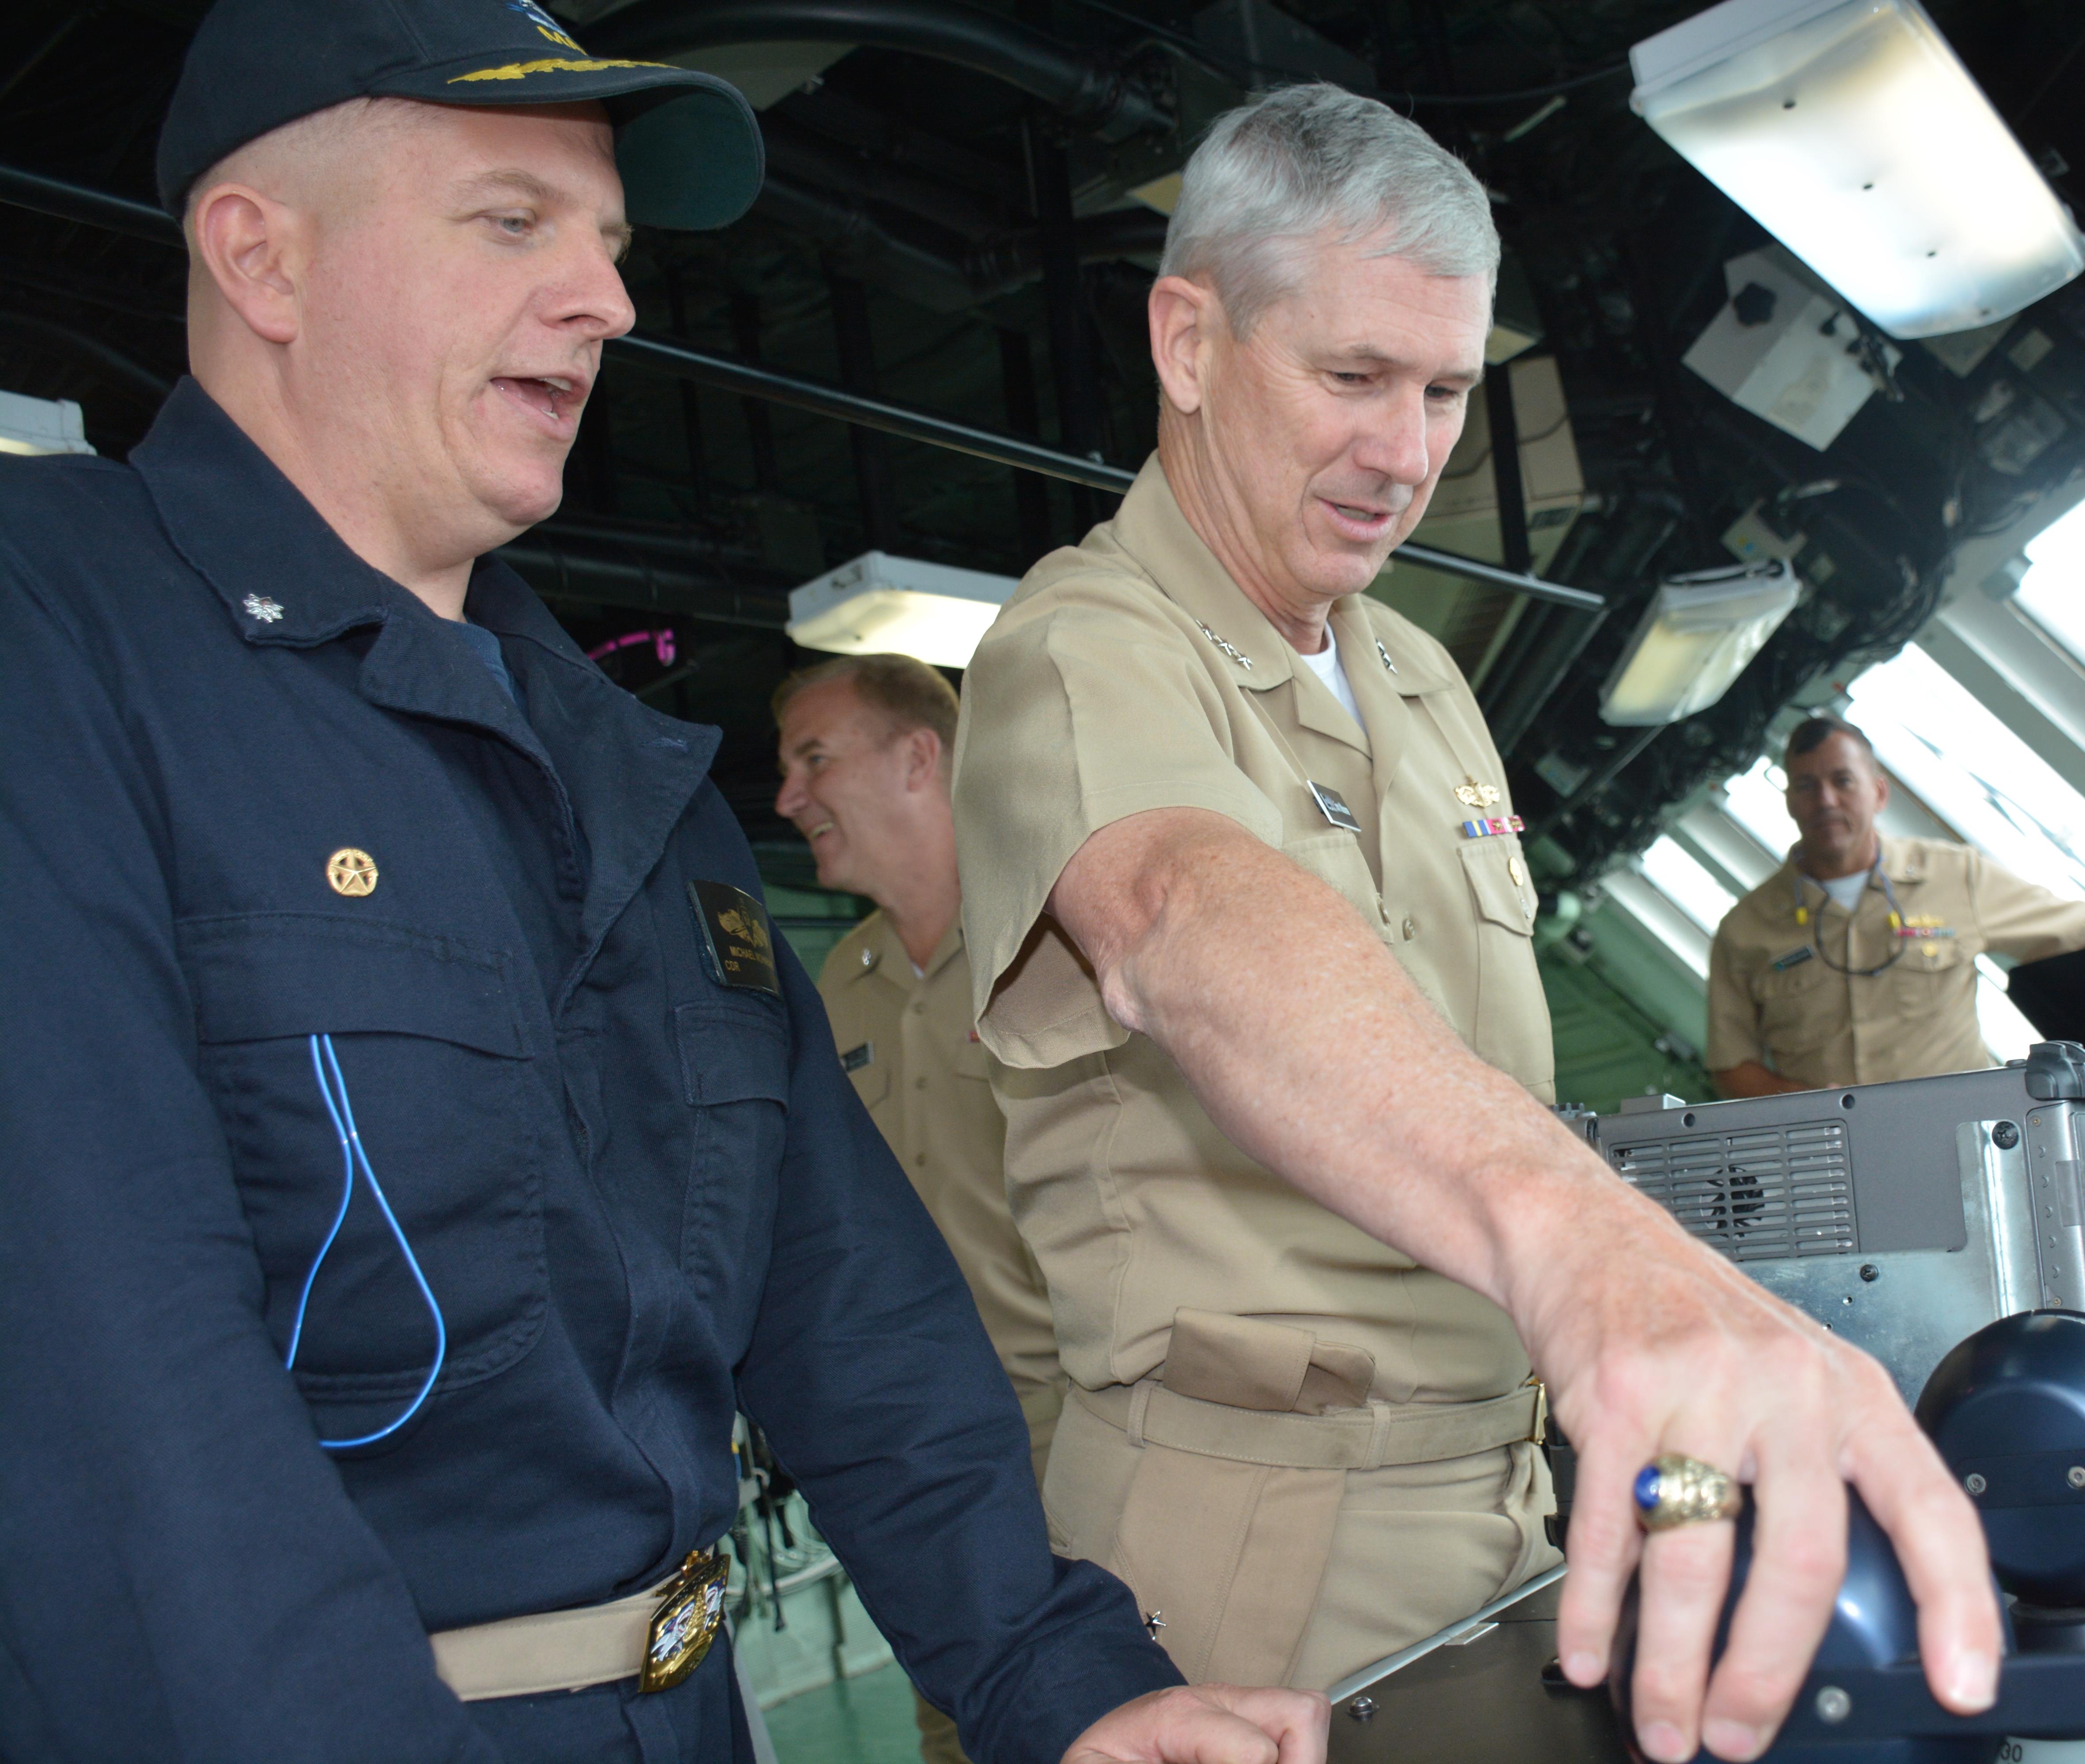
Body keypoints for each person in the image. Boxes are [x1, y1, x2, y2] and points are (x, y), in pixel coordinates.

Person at [0, 3, 1321, 1760]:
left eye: (610, 245)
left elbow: (848, 1306)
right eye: (511, 222)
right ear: (264, 257)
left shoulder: (624, 772)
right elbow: (116, 1393)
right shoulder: (58, 634)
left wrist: (1061, 1681)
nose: (610, 300)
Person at [952, 83, 2003, 1764]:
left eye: (1447, 388)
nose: (1407, 451)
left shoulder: (1421, 677)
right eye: (1352, 376)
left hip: (1503, 1478)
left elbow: (1463, 1063)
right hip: (1248, 1538)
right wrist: (1590, 1251)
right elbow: (1189, 915)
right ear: (1190, 341)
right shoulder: (1085, 644)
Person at [774, 653, 1067, 1764]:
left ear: (918, 755)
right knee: (961, 1726)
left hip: (1086, 1424)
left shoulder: (1063, 934)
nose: (789, 798)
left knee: (1116, 1707)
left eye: (814, 757)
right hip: (923, 1448)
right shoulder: (834, 986)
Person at [1708, 716, 2085, 1097]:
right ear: (1789, 802)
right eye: (1807, 786)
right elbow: (1731, 1062)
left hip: (1964, 1138)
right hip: (1828, 1157)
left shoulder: (1957, 876)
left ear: (1879, 793)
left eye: (1843, 781)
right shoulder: (1745, 930)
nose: (1825, 800)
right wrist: (1800, 1103)